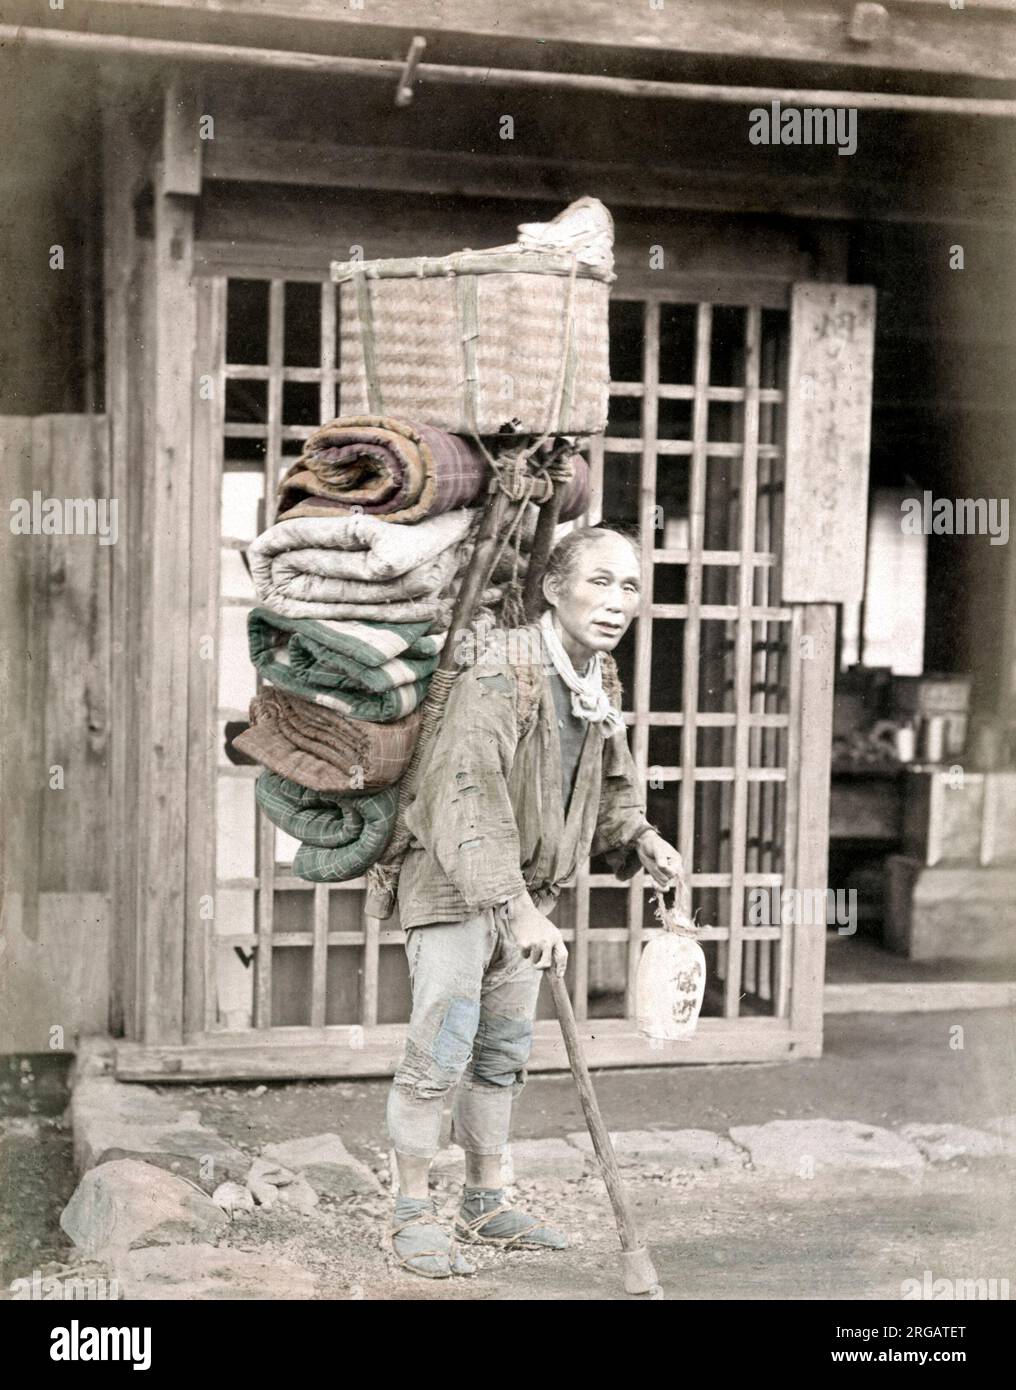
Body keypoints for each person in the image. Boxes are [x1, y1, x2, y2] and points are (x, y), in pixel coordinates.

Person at [385, 525, 685, 1278]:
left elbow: (604, 783)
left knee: (502, 1054)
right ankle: (411, 1213)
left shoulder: (596, 678)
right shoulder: (503, 671)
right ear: (554, 589)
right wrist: (516, 910)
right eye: (600, 582)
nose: (617, 603)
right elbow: (466, 794)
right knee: (440, 1049)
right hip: (456, 888)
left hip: (528, 899)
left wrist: (642, 838)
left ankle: (485, 1202)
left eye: (630, 587)